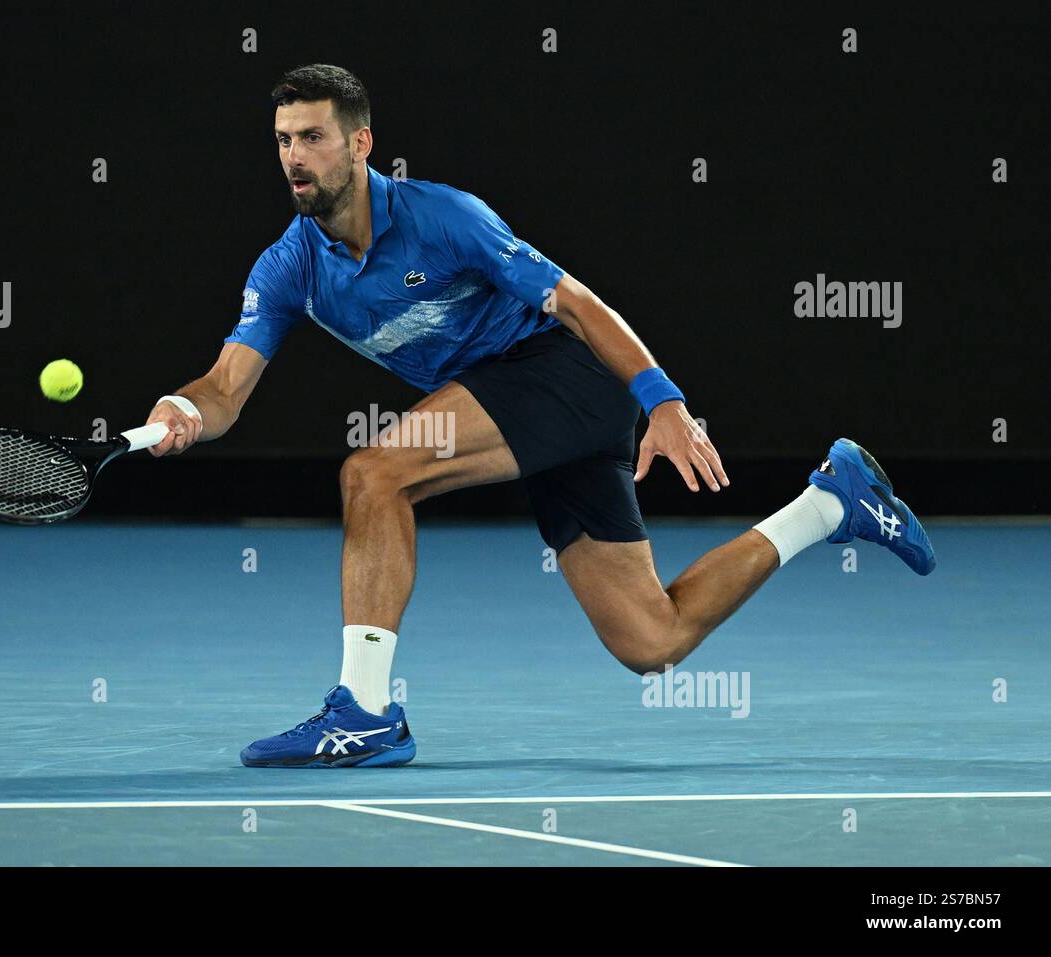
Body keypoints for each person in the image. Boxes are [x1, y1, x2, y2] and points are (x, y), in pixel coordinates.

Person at [144, 64, 935, 768]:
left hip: (564, 374)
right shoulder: (289, 266)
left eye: (312, 136)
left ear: (359, 144)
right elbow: (224, 387)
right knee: (651, 640)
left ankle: (365, 712)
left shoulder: (445, 216)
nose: (293, 156)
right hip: (529, 413)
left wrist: (663, 401)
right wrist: (182, 409)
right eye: (283, 139)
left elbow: (580, 304)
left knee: (374, 473)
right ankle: (831, 503)